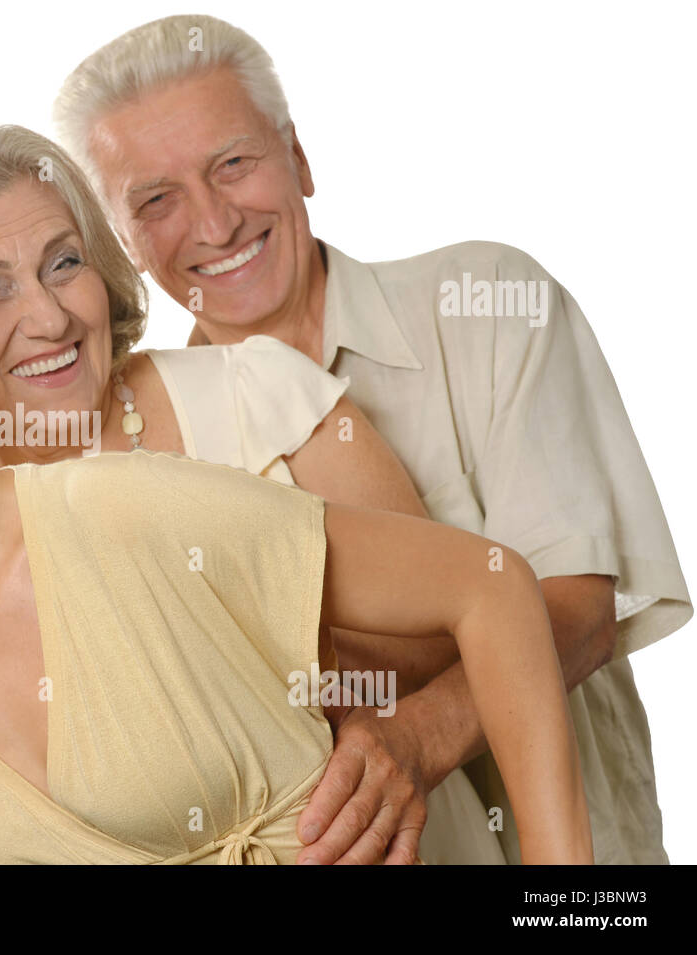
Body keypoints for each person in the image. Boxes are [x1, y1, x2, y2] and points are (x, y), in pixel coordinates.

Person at [0, 124, 493, 864]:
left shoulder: (258, 392)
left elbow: (460, 625)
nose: (48, 314)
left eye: (64, 262)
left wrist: (244, 650)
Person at [47, 13, 691, 863]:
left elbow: (578, 611)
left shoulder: (490, 301)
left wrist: (418, 734)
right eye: (156, 200)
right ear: (122, 243)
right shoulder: (140, 448)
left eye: (232, 164)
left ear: (300, 159)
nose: (213, 224)